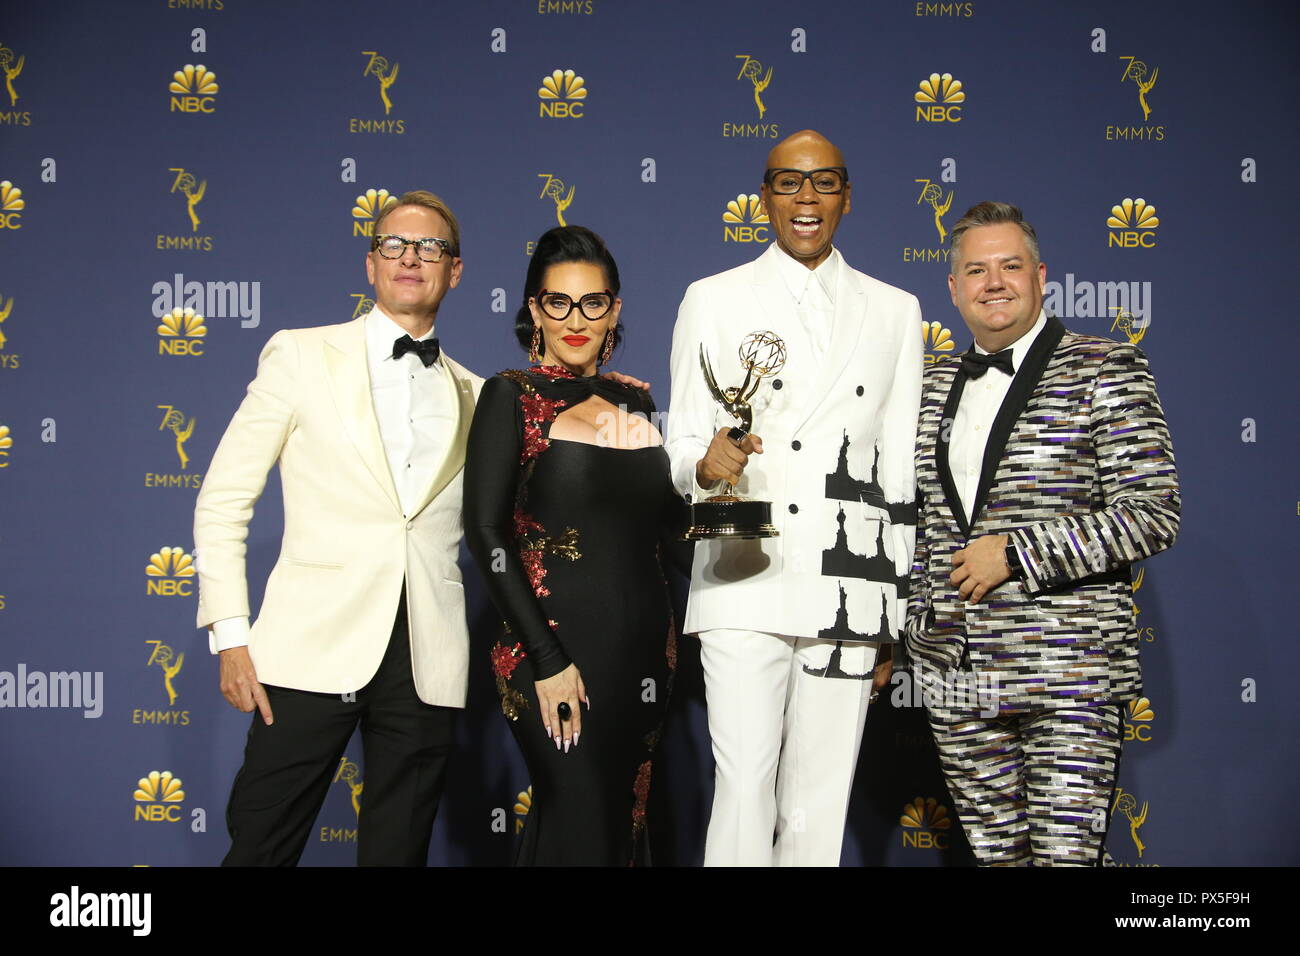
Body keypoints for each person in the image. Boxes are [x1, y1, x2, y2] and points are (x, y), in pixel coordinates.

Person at [193, 190, 481, 865]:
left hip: (425, 658)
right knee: (262, 843)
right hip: (305, 646)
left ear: (455, 270)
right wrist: (231, 638)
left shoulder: (475, 390)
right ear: (371, 264)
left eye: (429, 247)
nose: (411, 257)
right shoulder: (300, 355)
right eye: (394, 245)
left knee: (398, 853)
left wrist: (603, 400)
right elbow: (223, 499)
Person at [665, 130, 923, 866]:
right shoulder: (711, 298)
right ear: (764, 197)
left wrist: (891, 615)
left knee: (819, 801)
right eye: (788, 182)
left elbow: (897, 470)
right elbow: (682, 445)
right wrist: (707, 465)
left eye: (824, 183)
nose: (806, 199)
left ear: (848, 196)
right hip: (744, 575)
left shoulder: (896, 310)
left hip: (849, 588)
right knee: (743, 786)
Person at [905, 201, 1179, 865]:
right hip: (957, 678)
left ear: (1041, 275)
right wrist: (913, 632)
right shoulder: (927, 386)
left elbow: (1151, 511)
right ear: (953, 288)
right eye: (976, 269)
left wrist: (1018, 553)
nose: (993, 282)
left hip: (1069, 673)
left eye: (1010, 266)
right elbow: (912, 522)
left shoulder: (1105, 366)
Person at [464, 226, 685, 866]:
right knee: (579, 820)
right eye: (558, 302)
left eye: (593, 302)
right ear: (534, 308)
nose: (576, 319)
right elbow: (486, 533)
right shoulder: (510, 395)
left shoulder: (636, 399)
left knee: (620, 828)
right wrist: (548, 658)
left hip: (646, 655)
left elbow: (668, 528)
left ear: (614, 308)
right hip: (555, 655)